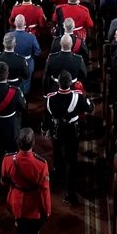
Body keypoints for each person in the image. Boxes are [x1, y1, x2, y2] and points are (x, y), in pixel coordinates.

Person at [45, 70, 93, 205]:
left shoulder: (50, 98)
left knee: (57, 153)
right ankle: (68, 191)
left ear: (58, 83)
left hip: (57, 130)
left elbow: (47, 117)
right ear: (71, 82)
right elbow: (89, 109)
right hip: (72, 130)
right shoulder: (78, 97)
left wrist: (45, 129)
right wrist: (88, 100)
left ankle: (58, 176)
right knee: (71, 159)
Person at [1, 127, 51, 234]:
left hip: (16, 201)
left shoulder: (7, 159)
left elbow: (3, 182)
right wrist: (47, 210)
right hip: (34, 203)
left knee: (20, 226)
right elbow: (45, 190)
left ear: (18, 142)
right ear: (33, 143)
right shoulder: (41, 164)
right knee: (34, 228)